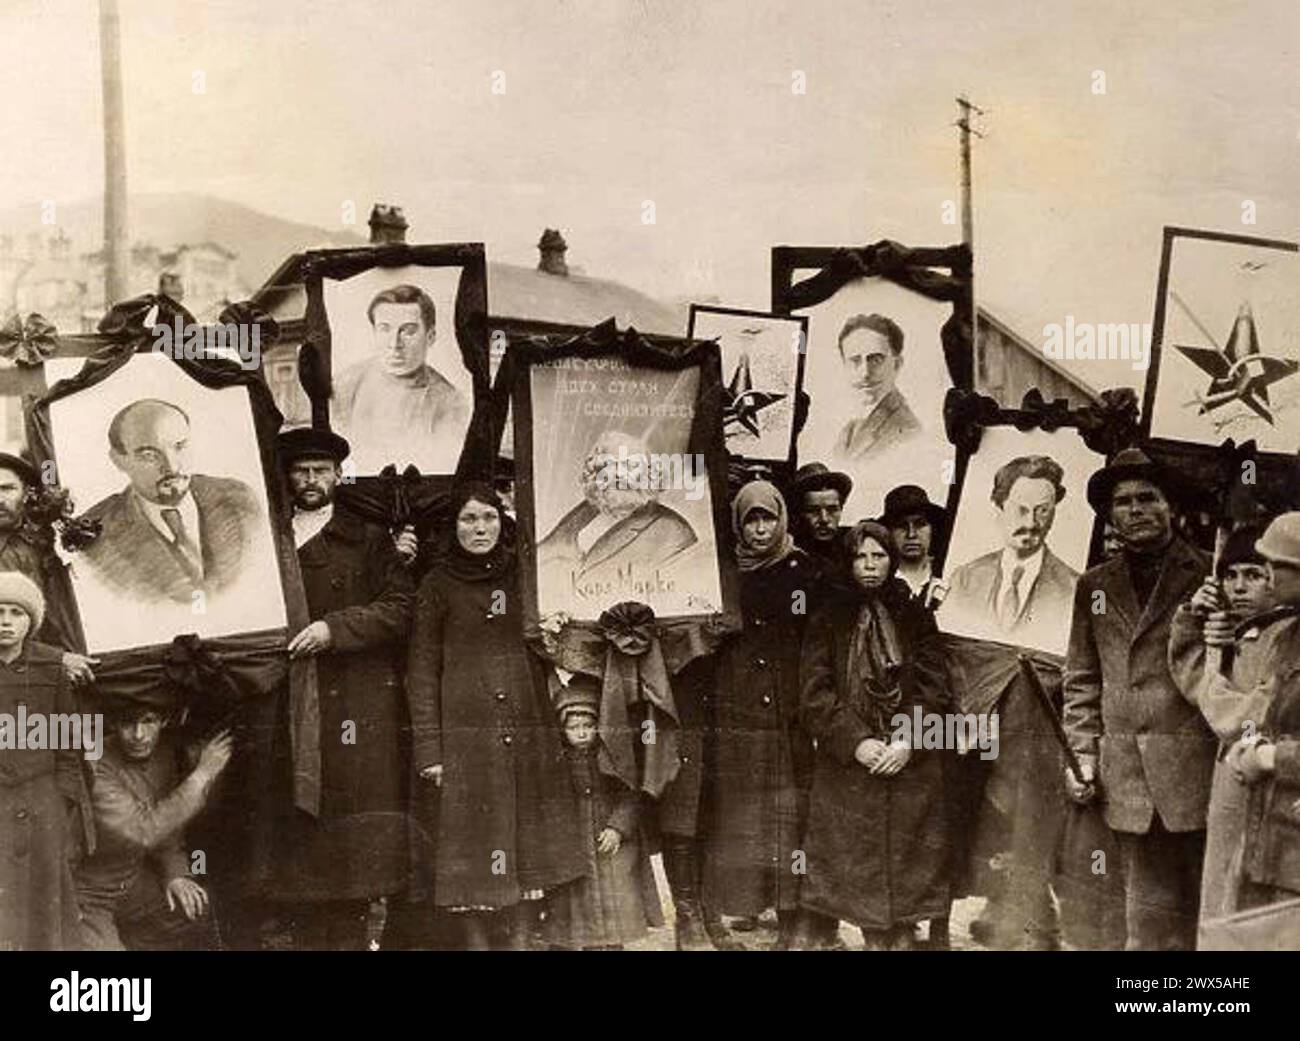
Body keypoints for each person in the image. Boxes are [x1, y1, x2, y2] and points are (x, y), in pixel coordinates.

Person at [406, 482, 585, 949]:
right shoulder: (436, 585)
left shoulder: (526, 574)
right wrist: (431, 750)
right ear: (454, 526)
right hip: (468, 743)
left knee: (526, 848)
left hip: (527, 730)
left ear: (502, 522)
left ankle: (522, 941)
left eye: (487, 518)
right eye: (468, 519)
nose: (479, 528)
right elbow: (421, 670)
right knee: (473, 849)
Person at [264, 428, 416, 950]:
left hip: (353, 701)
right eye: (301, 471)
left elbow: (400, 607)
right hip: (286, 699)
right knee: (296, 819)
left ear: (338, 476)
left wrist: (335, 629)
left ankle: (353, 935)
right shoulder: (267, 537)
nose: (311, 481)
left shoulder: (368, 539)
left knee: (350, 827)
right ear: (287, 476)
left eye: (321, 471)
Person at [1062, 447, 1215, 950]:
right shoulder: (1095, 587)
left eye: (1147, 498)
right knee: (1142, 919)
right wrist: (1082, 754)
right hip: (1125, 777)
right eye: (1123, 502)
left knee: (1200, 916)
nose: (1135, 510)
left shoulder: (1210, 577)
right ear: (1110, 517)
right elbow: (1082, 679)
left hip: (1197, 776)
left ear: (1170, 506)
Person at [797, 521, 952, 949]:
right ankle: (871, 936)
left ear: (892, 560)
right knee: (854, 866)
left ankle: (900, 934)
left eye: (879, 556)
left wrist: (906, 741)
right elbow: (815, 692)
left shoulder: (913, 614)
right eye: (861, 557)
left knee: (909, 867)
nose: (870, 566)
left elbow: (933, 684)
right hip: (850, 765)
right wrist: (858, 742)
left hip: (908, 763)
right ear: (848, 562)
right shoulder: (828, 616)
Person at [703, 481, 820, 949]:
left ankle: (792, 916)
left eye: (767, 518)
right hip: (738, 702)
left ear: (782, 519)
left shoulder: (803, 570)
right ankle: (750, 903)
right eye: (750, 519)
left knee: (788, 815)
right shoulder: (723, 571)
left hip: (788, 701)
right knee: (745, 813)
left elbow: (816, 632)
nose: (759, 528)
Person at [1169, 523, 1282, 933]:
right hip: (1231, 787)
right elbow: (1193, 678)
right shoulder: (1246, 632)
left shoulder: (1284, 636)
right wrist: (1193, 622)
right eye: (1230, 575)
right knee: (1220, 893)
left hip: (1269, 784)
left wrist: (1216, 673)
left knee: (1250, 903)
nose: (1238, 586)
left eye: (1253, 575)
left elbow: (1247, 713)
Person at [75, 698, 230, 951]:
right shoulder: (95, 760)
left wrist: (176, 874)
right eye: (127, 722)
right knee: (111, 987)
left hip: (134, 880)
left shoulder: (164, 753)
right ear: (113, 723)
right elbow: (144, 830)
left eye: (148, 721)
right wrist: (202, 775)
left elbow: (168, 825)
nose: (138, 735)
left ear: (164, 720)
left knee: (193, 907)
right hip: (91, 894)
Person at [80, 399, 265, 604]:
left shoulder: (240, 500)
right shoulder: (93, 535)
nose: (172, 467)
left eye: (180, 447)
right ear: (119, 460)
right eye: (150, 455)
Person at [0, 572, 88, 951]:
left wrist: (60, 799)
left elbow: (70, 745)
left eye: (16, 613)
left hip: (41, 805)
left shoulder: (51, 667)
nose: (5, 621)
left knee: (43, 909)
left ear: (30, 622)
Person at [544, 685, 663, 950]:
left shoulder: (612, 757)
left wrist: (618, 827)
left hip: (609, 841)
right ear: (563, 730)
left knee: (616, 896)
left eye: (589, 725)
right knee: (578, 899)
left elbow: (630, 794)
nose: (583, 732)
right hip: (575, 841)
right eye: (574, 727)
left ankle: (612, 944)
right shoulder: (557, 761)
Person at [1228, 514, 1300, 912]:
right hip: (1272, 840)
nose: (1267, 576)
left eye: (1276, 565)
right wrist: (1253, 743)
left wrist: (1268, 757)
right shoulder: (1287, 636)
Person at [537, 430, 698, 604]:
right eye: (602, 472)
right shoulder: (586, 512)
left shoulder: (672, 531)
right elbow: (542, 555)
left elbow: (674, 594)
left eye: (621, 474)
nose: (608, 482)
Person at [942, 455, 1079, 648]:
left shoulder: (1079, 589)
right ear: (999, 509)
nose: (1030, 523)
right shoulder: (964, 579)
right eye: (1021, 509)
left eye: (1043, 511)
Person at [332, 284, 471, 474]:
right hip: (357, 490)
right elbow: (344, 464)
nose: (394, 344)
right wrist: (350, 485)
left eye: (408, 331)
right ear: (374, 332)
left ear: (430, 337)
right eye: (385, 329)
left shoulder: (449, 402)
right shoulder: (345, 385)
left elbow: (443, 466)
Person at [0, 450, 94, 683]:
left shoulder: (47, 539)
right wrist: (56, 659)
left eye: (7, 489)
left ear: (26, 493)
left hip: (74, 665)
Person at [830, 314, 922, 464]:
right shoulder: (848, 429)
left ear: (897, 364)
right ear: (844, 365)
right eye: (855, 361)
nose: (865, 373)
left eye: (876, 360)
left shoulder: (907, 431)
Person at [881, 484, 947, 610]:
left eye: (920, 524)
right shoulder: (879, 581)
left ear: (932, 529)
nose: (911, 534)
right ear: (889, 532)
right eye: (901, 526)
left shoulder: (949, 576)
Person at [790, 461, 854, 586]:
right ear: (799, 512)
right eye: (813, 511)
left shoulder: (853, 547)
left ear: (841, 509)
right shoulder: (789, 555)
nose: (824, 519)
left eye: (832, 510)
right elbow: (797, 603)